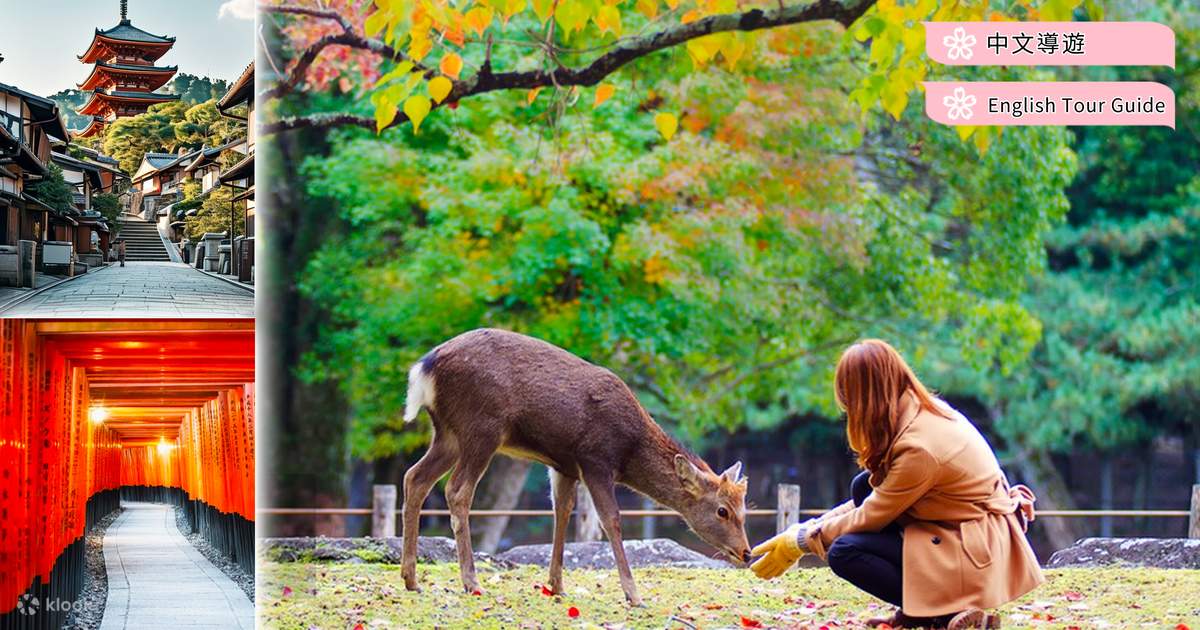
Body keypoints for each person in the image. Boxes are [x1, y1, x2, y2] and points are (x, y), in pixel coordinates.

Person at [750, 340, 1040, 629]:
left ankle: (947, 615)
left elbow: (871, 514)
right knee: (863, 486)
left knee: (845, 552)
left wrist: (802, 542)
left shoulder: (919, 449)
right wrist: (806, 530)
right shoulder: (919, 411)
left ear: (862, 398)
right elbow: (872, 499)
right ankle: (923, 611)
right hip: (955, 530)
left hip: (975, 552)